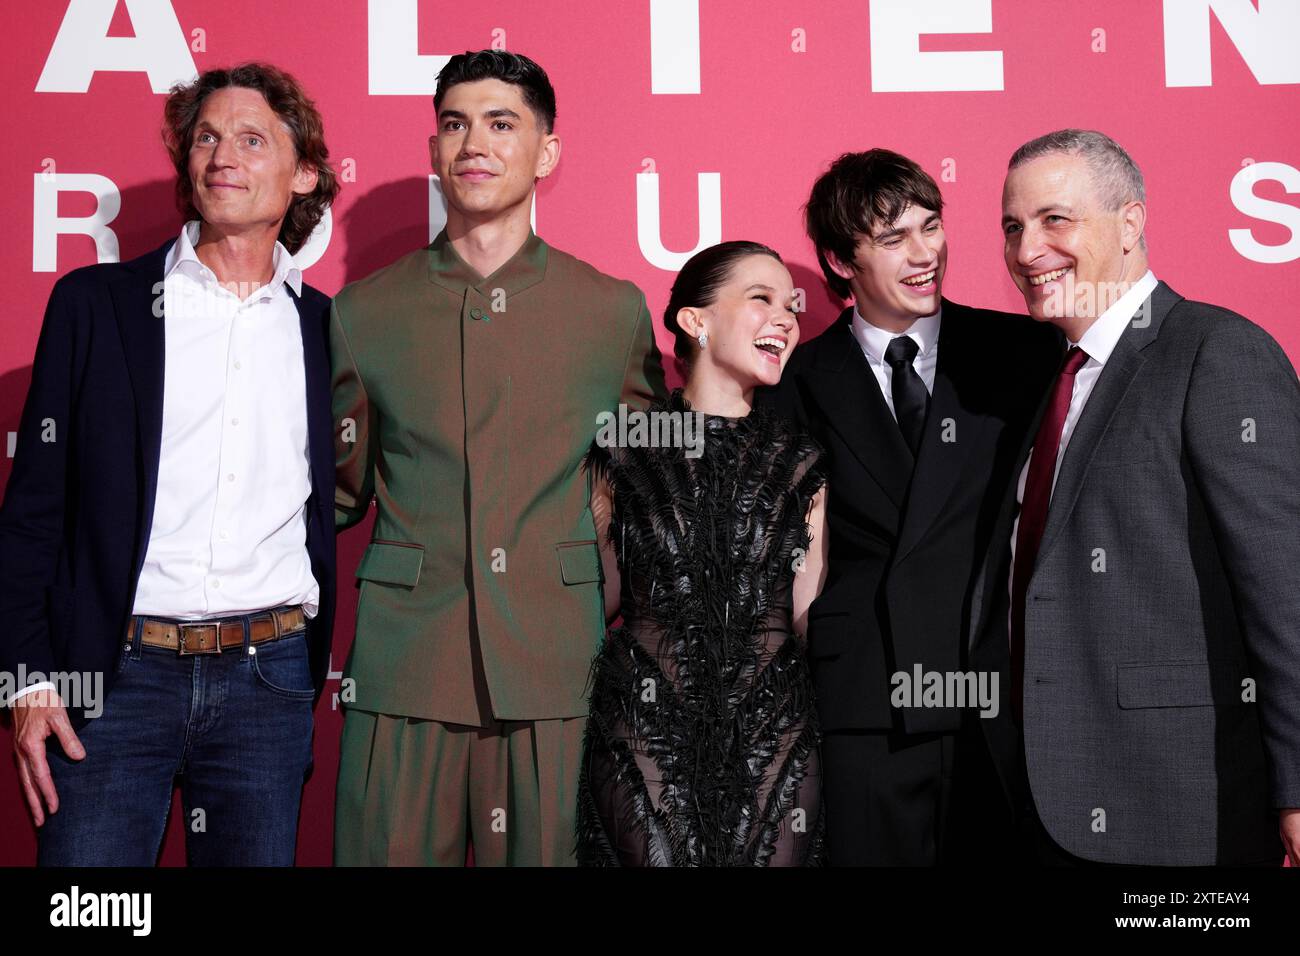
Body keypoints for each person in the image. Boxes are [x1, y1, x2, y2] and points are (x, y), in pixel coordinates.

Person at [331, 50, 666, 866]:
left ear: (546, 153)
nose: (473, 142)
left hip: (558, 671)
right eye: (454, 124)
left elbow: (647, 486)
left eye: (501, 122)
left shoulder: (611, 309)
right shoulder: (361, 311)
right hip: (405, 666)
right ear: (435, 151)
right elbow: (334, 494)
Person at [0, 63, 339, 866]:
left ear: (303, 175)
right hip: (112, 681)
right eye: (207, 137)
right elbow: (34, 512)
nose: (223, 155)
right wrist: (24, 681)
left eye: (252, 140)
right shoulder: (97, 305)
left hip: (269, 683)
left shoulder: (327, 330)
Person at [970, 128, 1300, 866]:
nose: (1027, 252)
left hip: (1174, 809)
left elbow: (1287, 590)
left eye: (1056, 220)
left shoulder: (1216, 352)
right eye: (1013, 227)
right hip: (1038, 807)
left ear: (1130, 225)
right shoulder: (1051, 383)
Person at [759, 149, 1060, 865]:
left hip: (998, 694)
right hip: (867, 699)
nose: (925, 254)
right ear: (840, 261)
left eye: (932, 226)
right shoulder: (797, 383)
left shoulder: (1023, 352)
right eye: (894, 239)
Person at [576, 241, 828, 866]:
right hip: (643, 736)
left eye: (791, 306)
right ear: (696, 320)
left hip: (773, 739)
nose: (785, 319)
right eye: (760, 299)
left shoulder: (802, 463)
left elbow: (807, 618)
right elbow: (593, 600)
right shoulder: (625, 451)